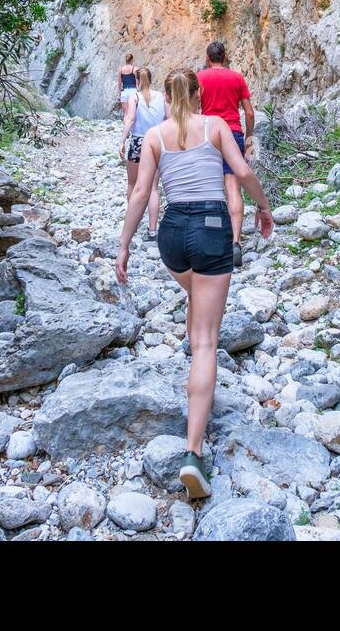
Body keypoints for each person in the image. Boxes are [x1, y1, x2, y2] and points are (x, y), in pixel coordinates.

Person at [115, 68, 273, 499]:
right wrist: (263, 209)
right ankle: (193, 453)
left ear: (166, 98)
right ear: (199, 94)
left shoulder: (156, 137)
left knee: (196, 307)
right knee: (205, 341)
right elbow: (241, 172)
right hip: (209, 227)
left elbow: (141, 193)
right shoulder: (216, 126)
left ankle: (196, 331)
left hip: (171, 237)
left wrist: (124, 246)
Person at [197, 41, 254, 268]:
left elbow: (193, 109)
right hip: (233, 134)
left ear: (207, 57)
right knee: (233, 188)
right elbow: (249, 113)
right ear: (225, 56)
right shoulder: (237, 78)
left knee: (209, 189)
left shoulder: (199, 78)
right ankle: (235, 242)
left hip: (208, 134)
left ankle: (211, 240)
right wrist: (249, 140)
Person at [119, 67, 165, 240]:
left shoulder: (134, 97)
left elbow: (130, 118)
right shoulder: (160, 97)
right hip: (158, 142)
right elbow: (168, 118)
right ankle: (153, 230)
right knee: (153, 187)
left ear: (137, 80)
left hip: (139, 142)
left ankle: (134, 224)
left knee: (133, 184)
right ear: (151, 79)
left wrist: (122, 140)